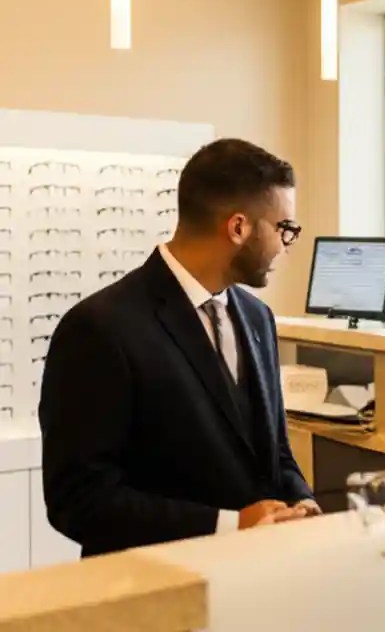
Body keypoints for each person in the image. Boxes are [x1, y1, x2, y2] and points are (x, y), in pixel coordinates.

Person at [39, 138, 319, 557]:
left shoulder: (258, 317)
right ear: (238, 227)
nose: (285, 244)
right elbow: (79, 500)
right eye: (284, 229)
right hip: (152, 596)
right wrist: (229, 526)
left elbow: (273, 451)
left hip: (255, 587)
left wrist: (303, 503)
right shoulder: (99, 327)